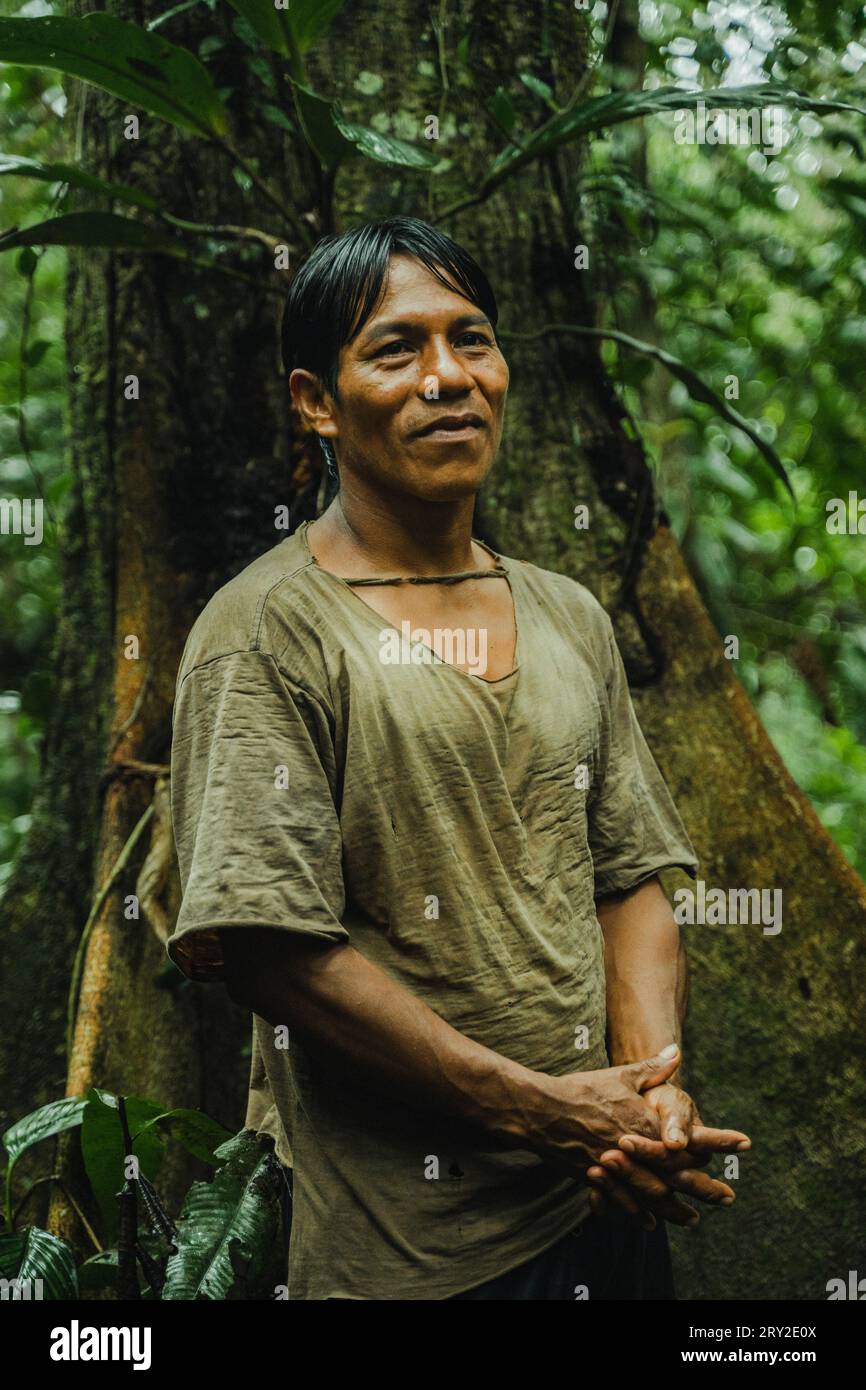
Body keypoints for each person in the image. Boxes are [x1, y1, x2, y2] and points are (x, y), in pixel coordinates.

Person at [166, 216, 750, 1301]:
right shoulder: (263, 633)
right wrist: (548, 1109)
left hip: (607, 1202)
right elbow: (269, 947)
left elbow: (625, 875)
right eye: (396, 350)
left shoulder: (566, 613)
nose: (447, 377)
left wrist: (649, 1094)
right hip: (411, 1252)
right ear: (315, 400)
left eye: (469, 339)